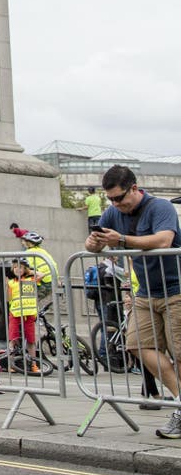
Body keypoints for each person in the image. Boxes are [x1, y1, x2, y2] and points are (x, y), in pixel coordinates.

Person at [86, 165, 181, 437]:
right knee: (137, 344)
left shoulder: (159, 207)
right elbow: (93, 245)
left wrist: (123, 239)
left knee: (180, 352)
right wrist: (95, 242)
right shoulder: (113, 213)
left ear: (134, 188)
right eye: (111, 199)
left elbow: (164, 241)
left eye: (119, 198)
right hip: (146, 293)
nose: (116, 204)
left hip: (176, 289)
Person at [5, 257, 40, 374]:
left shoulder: (31, 279)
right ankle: (11, 364)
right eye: (15, 267)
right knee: (13, 339)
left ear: (25, 269)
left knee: (31, 340)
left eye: (20, 267)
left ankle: (34, 364)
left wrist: (29, 271)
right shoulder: (10, 282)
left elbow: (42, 274)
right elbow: (9, 298)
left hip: (29, 314)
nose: (17, 269)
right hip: (15, 313)